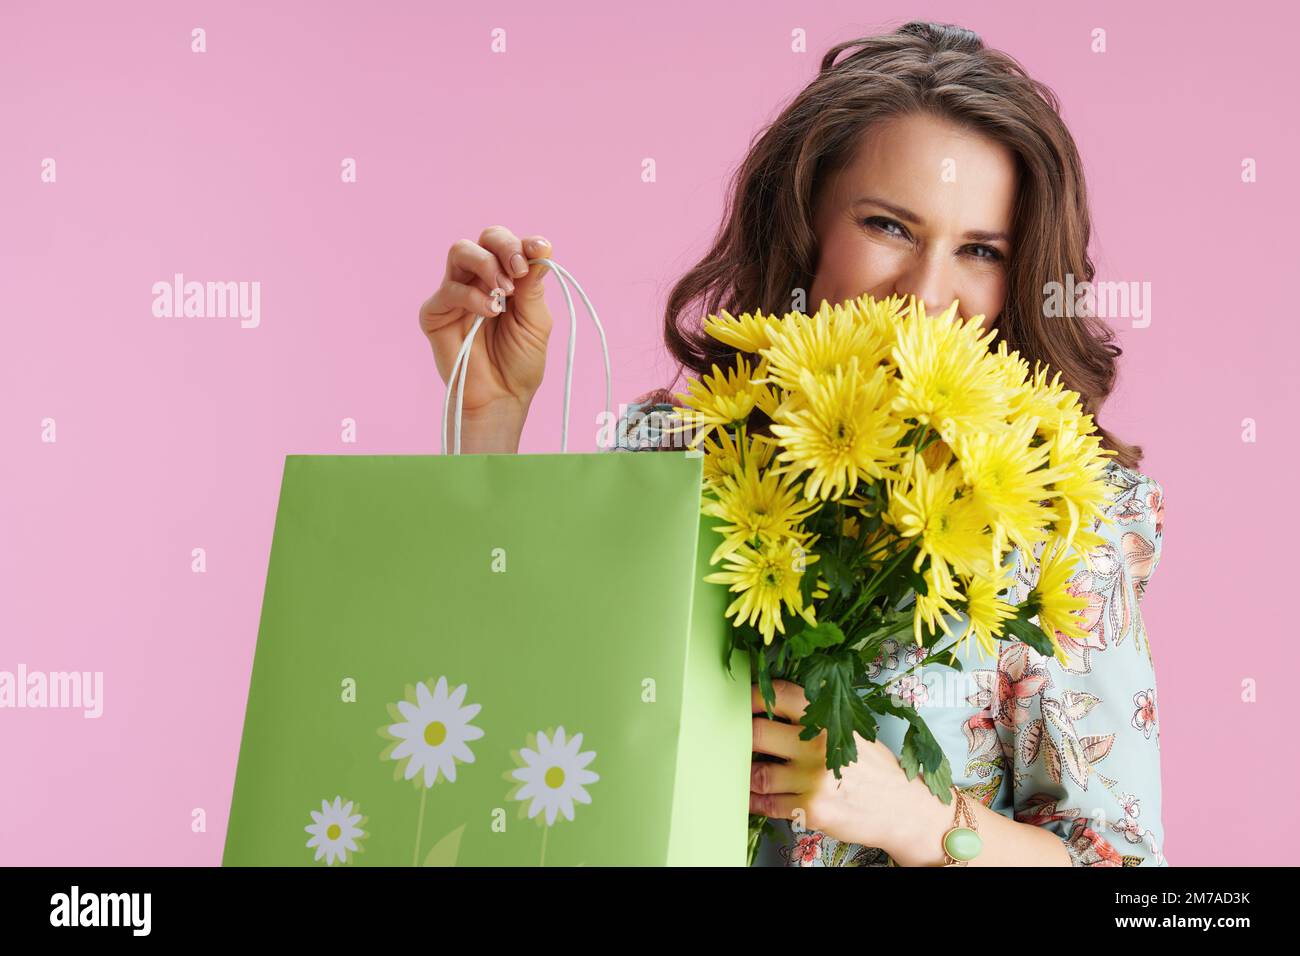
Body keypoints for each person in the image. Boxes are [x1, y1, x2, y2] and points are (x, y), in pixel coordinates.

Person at [417, 20, 1167, 867]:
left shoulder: (1066, 524)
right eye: (888, 226)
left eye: (980, 250)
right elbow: (505, 736)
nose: (927, 293)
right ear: (805, 227)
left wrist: (916, 817)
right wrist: (487, 420)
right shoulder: (673, 459)